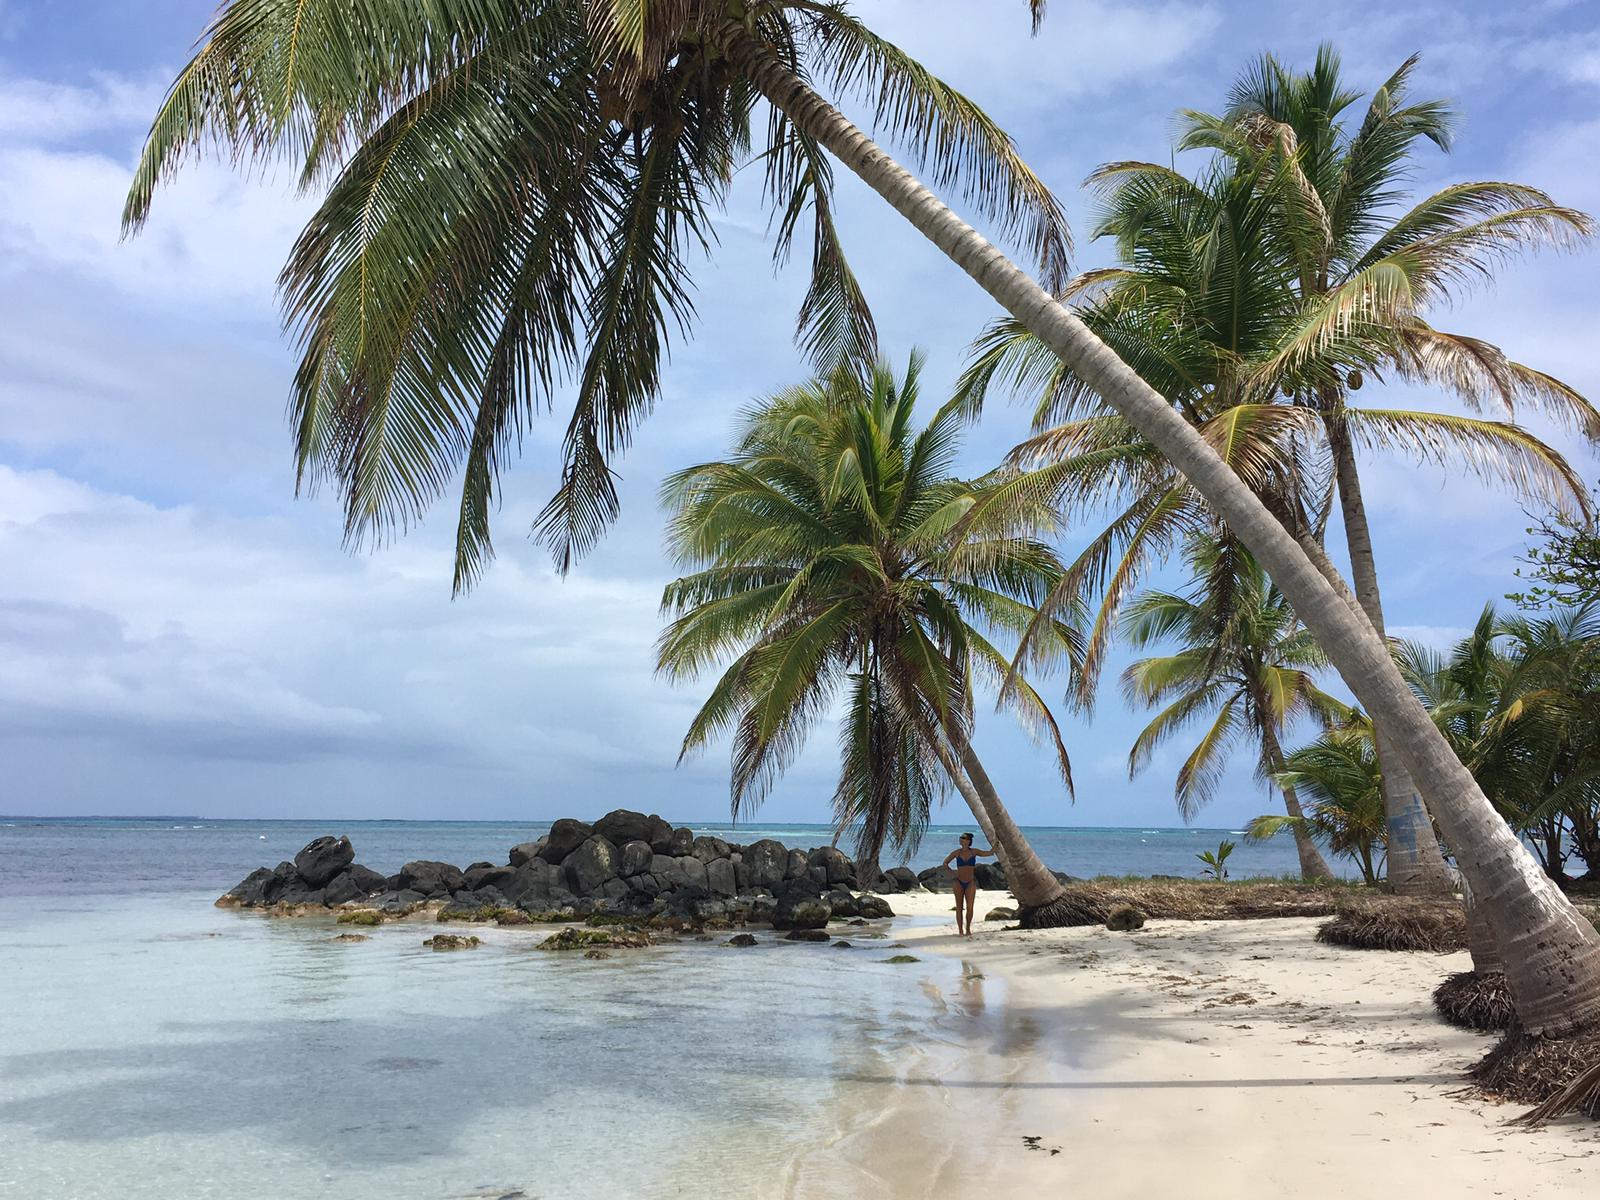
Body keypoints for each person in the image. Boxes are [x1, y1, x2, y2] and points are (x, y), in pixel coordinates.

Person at [940, 832, 994, 936]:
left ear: (968, 841)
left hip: (970, 882)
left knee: (970, 907)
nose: (961, 839)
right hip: (958, 882)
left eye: (963, 838)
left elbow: (989, 853)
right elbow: (945, 863)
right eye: (960, 838)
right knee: (959, 907)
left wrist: (996, 845)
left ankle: (968, 928)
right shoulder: (956, 853)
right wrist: (952, 873)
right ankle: (960, 930)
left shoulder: (974, 852)